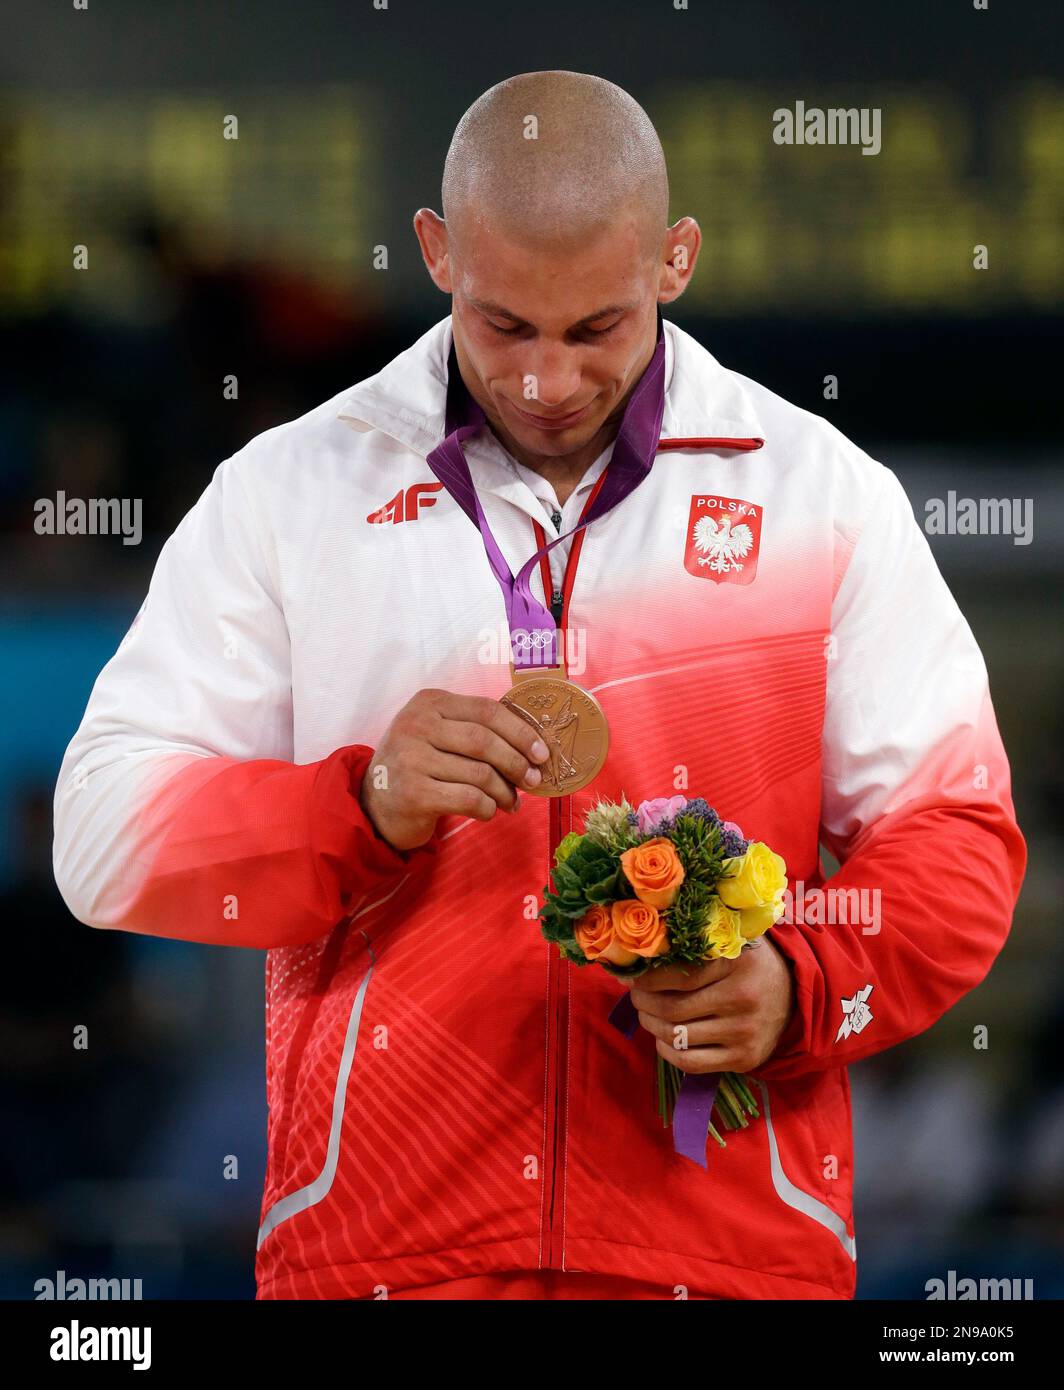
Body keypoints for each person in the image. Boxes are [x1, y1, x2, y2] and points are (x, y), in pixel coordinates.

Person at [53, 70, 1026, 1301]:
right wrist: (356, 809)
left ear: (675, 260)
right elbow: (100, 834)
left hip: (727, 1259)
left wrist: (800, 984)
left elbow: (954, 839)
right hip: (381, 1256)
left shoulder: (820, 497)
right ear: (436, 252)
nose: (545, 381)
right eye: (505, 325)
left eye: (596, 330)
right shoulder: (288, 494)